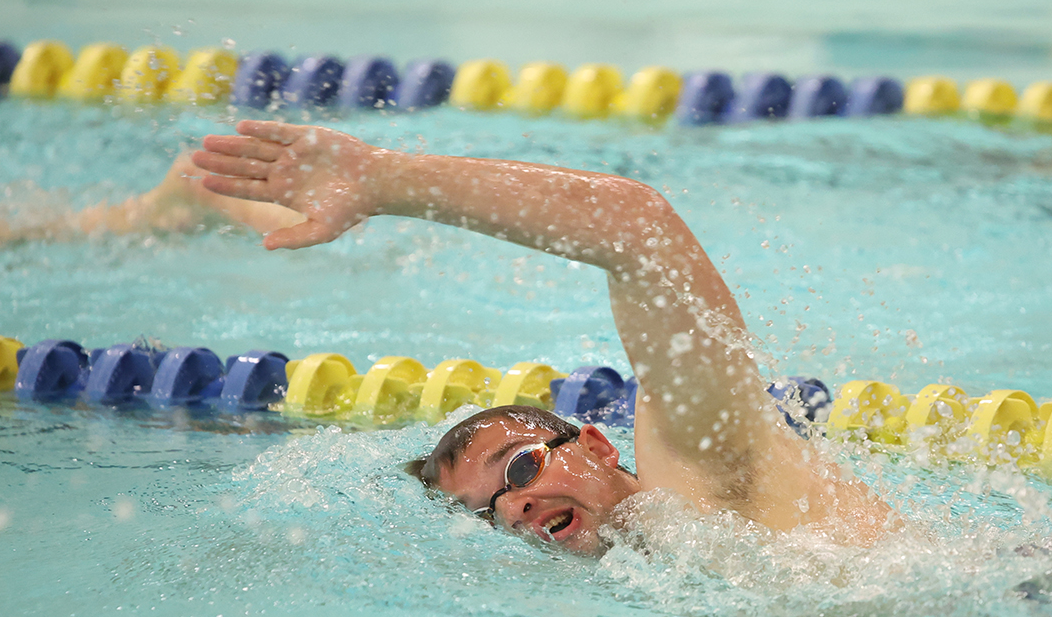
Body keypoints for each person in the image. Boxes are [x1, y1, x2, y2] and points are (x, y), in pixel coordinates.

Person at [191, 121, 897, 557]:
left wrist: (387, 181)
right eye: (488, 513)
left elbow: (636, 227)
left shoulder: (698, 466)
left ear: (595, 443)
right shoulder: (642, 569)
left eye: (521, 469)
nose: (515, 508)